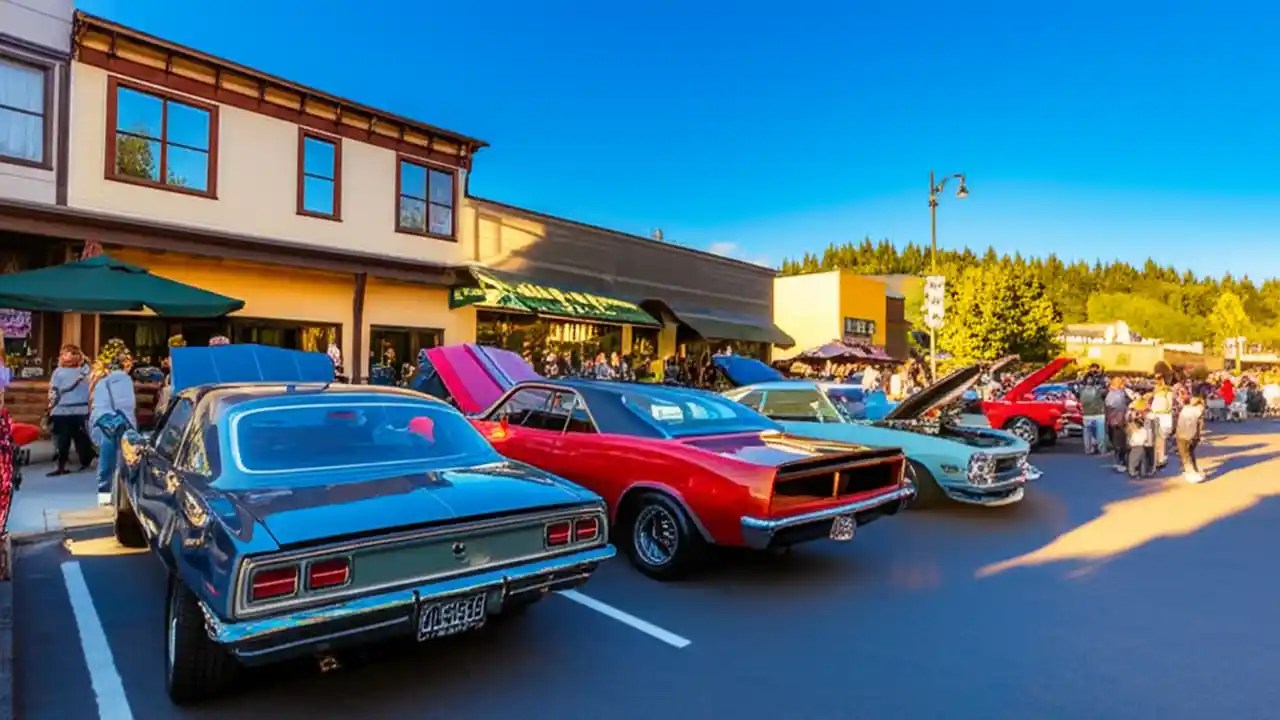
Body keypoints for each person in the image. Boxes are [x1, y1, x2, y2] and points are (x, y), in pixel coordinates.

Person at [89, 339, 138, 506]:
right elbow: (128, 405)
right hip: (122, 422)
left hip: (105, 423)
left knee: (106, 462)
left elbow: (95, 403)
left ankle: (104, 497)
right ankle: (128, 497)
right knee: (128, 461)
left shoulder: (101, 379)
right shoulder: (125, 380)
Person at [47, 344, 94, 476]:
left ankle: (62, 465)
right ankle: (85, 462)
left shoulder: (58, 372)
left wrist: (51, 406)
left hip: (62, 410)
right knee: (81, 437)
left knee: (64, 439)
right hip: (81, 409)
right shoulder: (87, 371)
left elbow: (53, 391)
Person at [1078, 367, 1108, 455]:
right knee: (1100, 434)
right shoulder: (1098, 389)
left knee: (1087, 433)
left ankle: (1088, 449)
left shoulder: (1081, 390)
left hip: (1086, 414)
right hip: (1098, 413)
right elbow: (1105, 391)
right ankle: (1102, 449)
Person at [1176, 395, 1206, 483]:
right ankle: (1195, 470)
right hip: (1194, 436)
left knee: (1185, 454)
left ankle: (1191, 473)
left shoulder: (1186, 410)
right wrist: (1198, 435)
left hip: (1182, 434)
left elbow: (1180, 422)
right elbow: (1201, 425)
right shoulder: (1199, 411)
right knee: (1191, 453)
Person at [1104, 377, 1131, 471]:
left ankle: (1119, 461)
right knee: (1120, 442)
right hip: (1119, 421)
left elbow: (1108, 407)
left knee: (1117, 442)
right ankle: (1120, 462)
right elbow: (1120, 406)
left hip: (1113, 421)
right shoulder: (1118, 394)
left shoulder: (1111, 394)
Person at [1150, 377, 1173, 469]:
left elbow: (1170, 404)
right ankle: (1158, 457)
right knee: (1157, 437)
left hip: (1162, 415)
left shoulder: (1167, 391)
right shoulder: (1157, 391)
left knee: (1160, 437)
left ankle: (1160, 457)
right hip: (1158, 414)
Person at [1126, 408, 1152, 478]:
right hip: (1142, 447)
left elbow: (1129, 439)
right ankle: (1143, 472)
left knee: (1132, 461)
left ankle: (1132, 472)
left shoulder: (1133, 430)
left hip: (1135, 448)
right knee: (1143, 460)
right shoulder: (1144, 430)